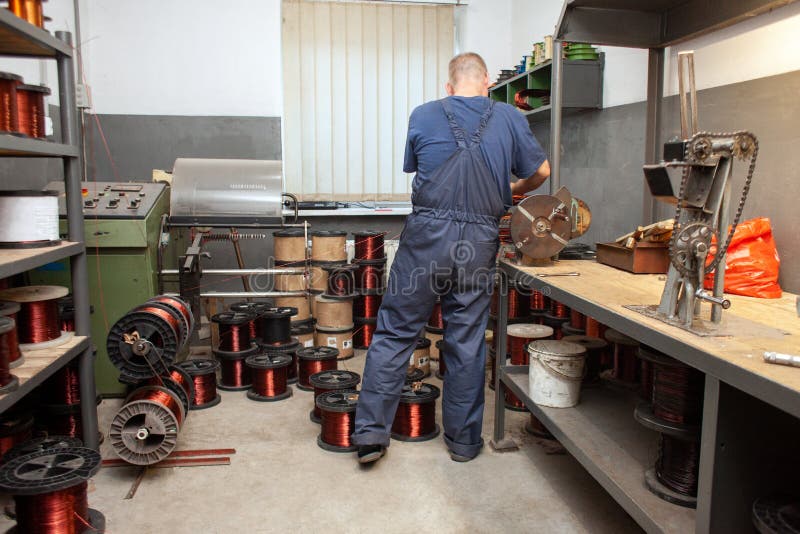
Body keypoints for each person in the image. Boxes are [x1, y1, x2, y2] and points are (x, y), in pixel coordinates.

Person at [352, 52, 550, 464]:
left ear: (449, 86)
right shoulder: (510, 117)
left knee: (394, 333)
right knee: (466, 341)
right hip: (478, 241)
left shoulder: (423, 114)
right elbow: (543, 172)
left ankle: (371, 435)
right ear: (486, 85)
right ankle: (463, 443)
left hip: (427, 239)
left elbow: (417, 167)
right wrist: (513, 188)